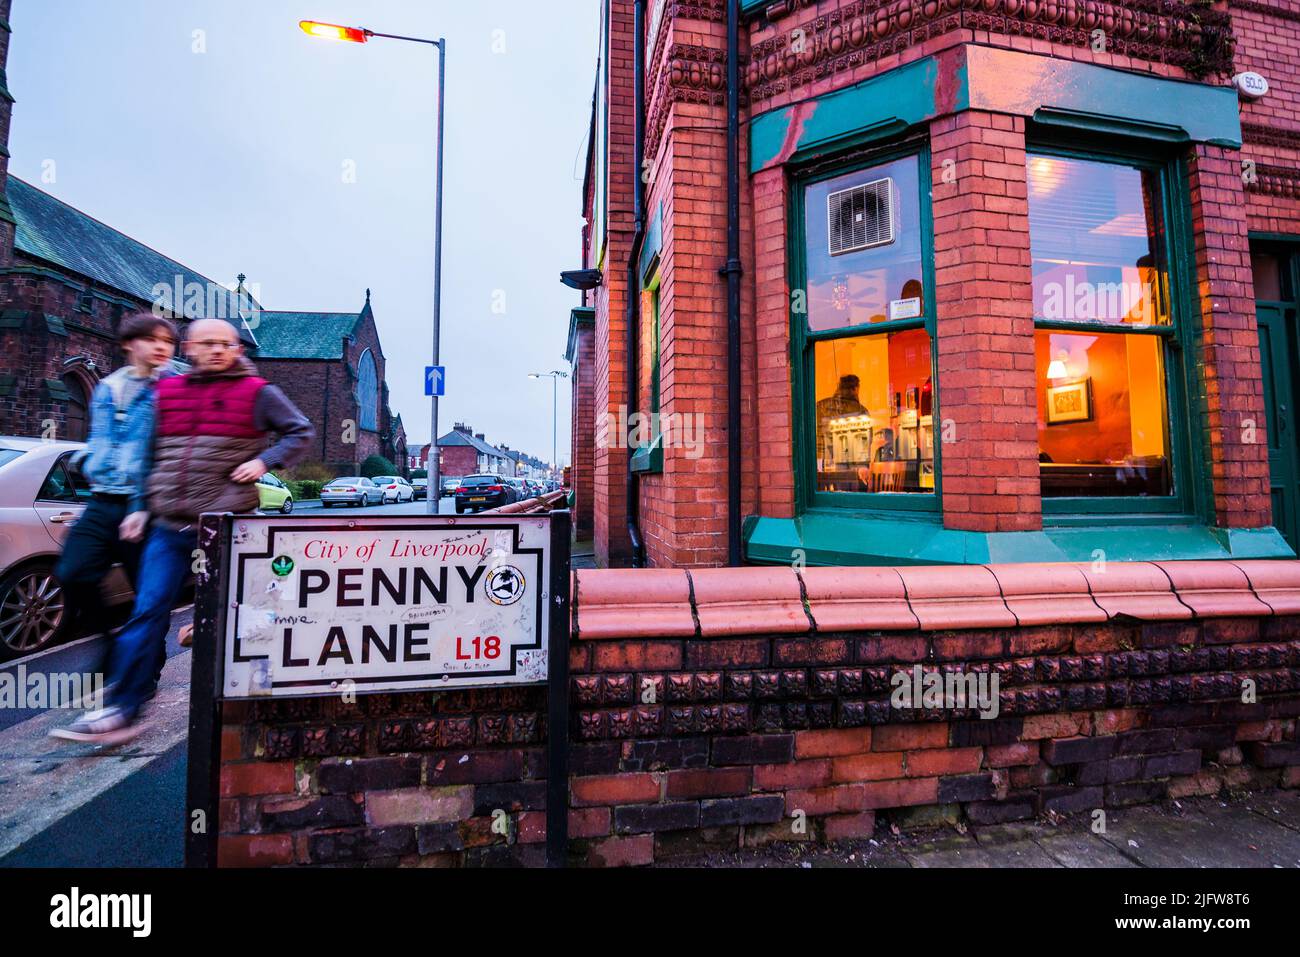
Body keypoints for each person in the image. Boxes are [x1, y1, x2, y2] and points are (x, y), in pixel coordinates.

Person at [52, 318, 315, 743]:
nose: (216, 350)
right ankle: (122, 710)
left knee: (247, 608)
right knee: (148, 609)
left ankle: (258, 696)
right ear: (189, 347)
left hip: (225, 525)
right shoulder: (165, 393)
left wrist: (265, 462)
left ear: (238, 350)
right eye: (207, 343)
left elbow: (300, 430)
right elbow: (146, 458)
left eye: (226, 344)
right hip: (169, 524)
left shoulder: (258, 393)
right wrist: (138, 508)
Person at [55, 312, 178, 688]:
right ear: (128, 344)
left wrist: (141, 506)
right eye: (151, 339)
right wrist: (88, 469)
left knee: (148, 597)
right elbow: (102, 443)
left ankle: (146, 671)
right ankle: (112, 646)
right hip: (103, 499)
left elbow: (162, 452)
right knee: (73, 572)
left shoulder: (173, 389)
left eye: (167, 341)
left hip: (148, 507)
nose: (161, 347)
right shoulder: (107, 387)